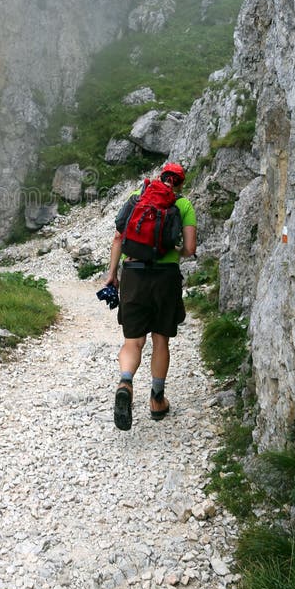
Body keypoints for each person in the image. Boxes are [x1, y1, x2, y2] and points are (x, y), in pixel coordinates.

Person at [104, 162, 197, 430]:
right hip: (165, 278)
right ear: (180, 183)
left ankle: (125, 382)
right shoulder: (183, 205)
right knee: (160, 340)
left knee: (133, 342)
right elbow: (190, 248)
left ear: (160, 178)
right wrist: (173, 251)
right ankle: (157, 400)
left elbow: (118, 237)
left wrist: (112, 274)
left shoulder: (138, 196)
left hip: (133, 274)